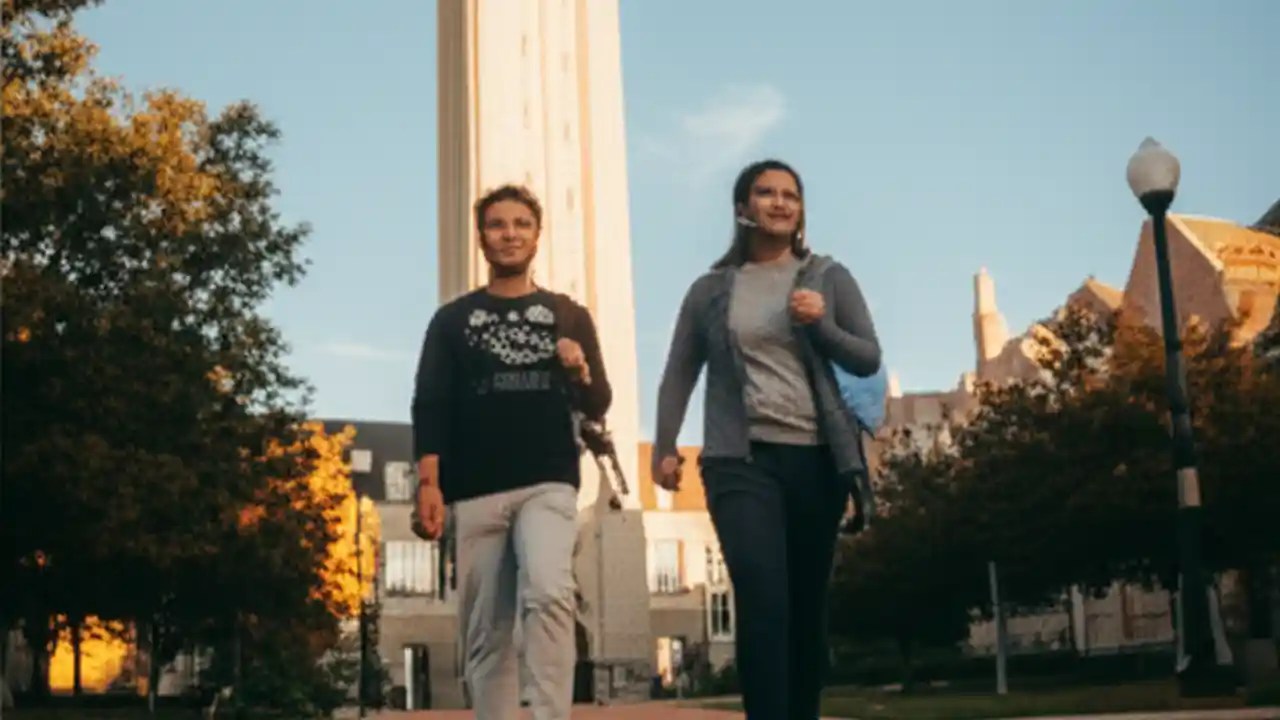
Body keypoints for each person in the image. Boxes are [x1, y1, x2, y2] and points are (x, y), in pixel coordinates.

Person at [653, 159, 881, 719]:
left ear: (800, 210)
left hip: (818, 459)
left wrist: (821, 325)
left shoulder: (829, 277)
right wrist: (664, 446)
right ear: (742, 208)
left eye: (791, 195)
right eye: (766, 193)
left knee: (805, 609)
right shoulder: (710, 290)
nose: (780, 202)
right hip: (740, 460)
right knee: (762, 598)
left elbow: (868, 356)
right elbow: (680, 370)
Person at [411, 184, 611, 720]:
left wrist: (578, 369)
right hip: (474, 486)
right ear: (481, 238)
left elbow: (599, 401)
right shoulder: (451, 321)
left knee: (548, 591)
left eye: (521, 224)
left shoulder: (569, 315)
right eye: (498, 225)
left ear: (537, 236)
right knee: (486, 630)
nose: (510, 234)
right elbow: (430, 404)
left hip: (548, 478)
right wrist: (429, 483)